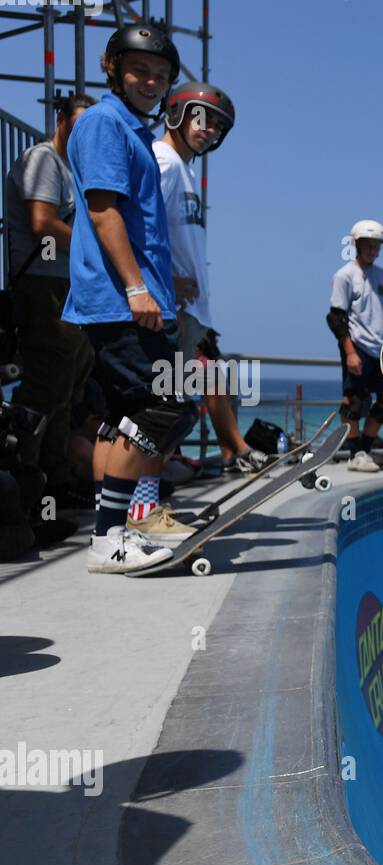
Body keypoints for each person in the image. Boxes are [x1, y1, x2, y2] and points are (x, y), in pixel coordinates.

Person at [63, 21, 190, 573]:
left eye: (160, 76)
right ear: (113, 68)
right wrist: (136, 287)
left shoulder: (133, 129)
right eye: (139, 70)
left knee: (124, 417)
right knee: (167, 404)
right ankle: (110, 534)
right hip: (118, 298)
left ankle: (113, 535)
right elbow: (102, 211)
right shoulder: (102, 123)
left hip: (139, 297)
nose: (150, 81)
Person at [126, 80, 250, 545]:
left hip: (189, 312)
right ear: (176, 113)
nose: (209, 129)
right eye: (201, 117)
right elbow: (131, 221)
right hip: (167, 304)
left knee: (173, 411)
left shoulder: (182, 169)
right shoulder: (162, 161)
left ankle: (145, 506)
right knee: (161, 411)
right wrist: (158, 281)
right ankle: (140, 511)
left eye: (217, 124)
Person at [6, 93, 97, 507]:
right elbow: (44, 226)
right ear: (61, 120)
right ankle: (25, 482)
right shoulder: (45, 160)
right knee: (45, 387)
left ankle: (54, 484)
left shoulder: (71, 168)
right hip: (44, 285)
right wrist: (95, 246)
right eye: (79, 125)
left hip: (65, 285)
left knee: (66, 388)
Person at [327, 219, 383, 472]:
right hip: (356, 346)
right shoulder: (344, 276)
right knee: (354, 402)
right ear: (357, 245)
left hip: (381, 349)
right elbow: (336, 318)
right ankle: (354, 452)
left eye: (377, 245)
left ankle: (364, 452)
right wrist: (349, 352)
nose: (373, 250)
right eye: (368, 245)